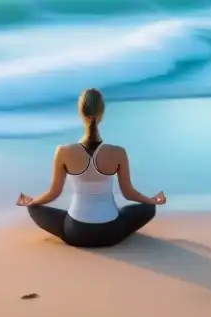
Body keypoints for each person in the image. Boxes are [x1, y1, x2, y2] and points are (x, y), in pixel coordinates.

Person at [17, 88, 166, 248]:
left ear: (80, 113)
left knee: (34, 209)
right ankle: (149, 205)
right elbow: (129, 193)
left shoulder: (63, 152)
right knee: (148, 209)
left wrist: (32, 202)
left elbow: (53, 193)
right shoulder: (118, 152)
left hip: (76, 232)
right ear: (102, 114)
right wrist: (151, 201)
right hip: (111, 233)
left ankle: (31, 205)